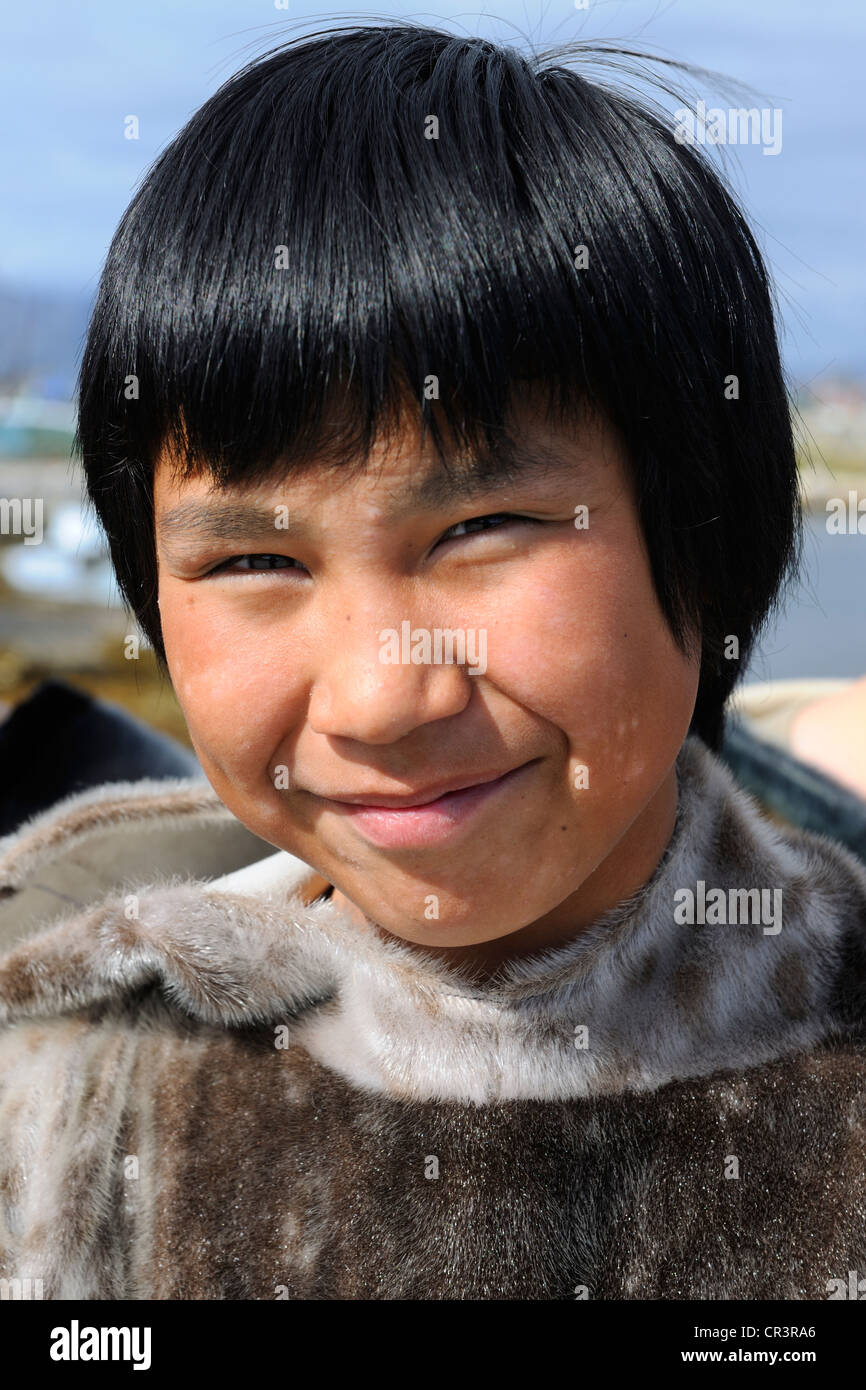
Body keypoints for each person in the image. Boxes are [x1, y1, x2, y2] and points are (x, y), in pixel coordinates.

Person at [1, 22, 865, 1300]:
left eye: (479, 530)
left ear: (705, 532)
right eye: (251, 562)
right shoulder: (62, 1086)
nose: (377, 698)